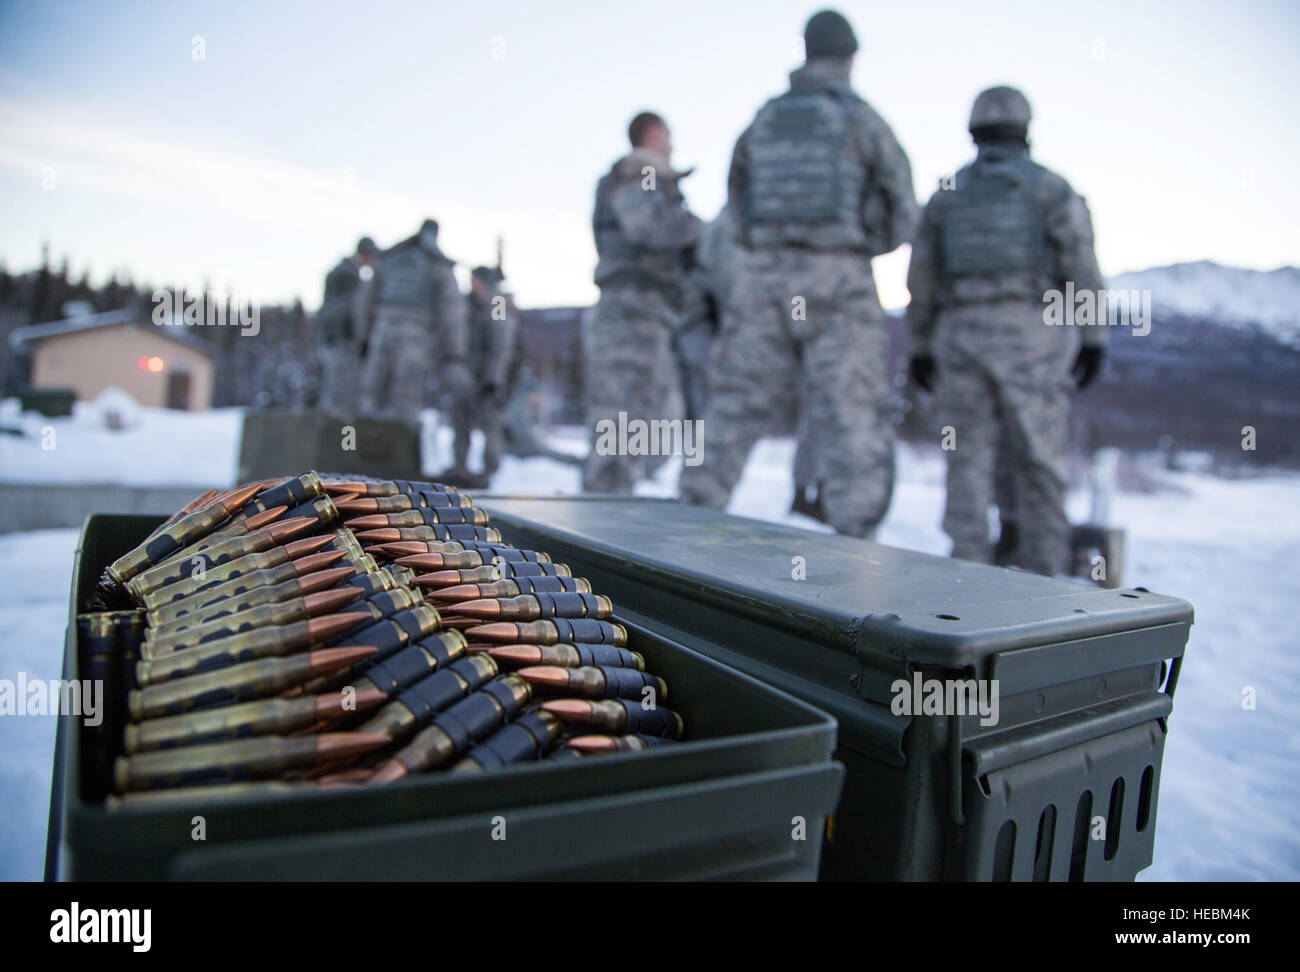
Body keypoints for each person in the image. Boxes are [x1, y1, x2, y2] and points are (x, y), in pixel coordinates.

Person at [679, 9, 917, 538]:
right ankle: (858, 558)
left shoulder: (763, 120)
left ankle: (684, 532)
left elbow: (736, 209)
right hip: (839, 282)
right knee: (852, 416)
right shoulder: (863, 120)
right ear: (850, 58)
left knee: (733, 409)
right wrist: (851, 245)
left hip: (762, 282)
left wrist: (771, 250)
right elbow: (903, 213)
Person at [906, 85, 1106, 575]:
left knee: (965, 457)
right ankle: (1042, 577)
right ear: (1024, 130)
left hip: (960, 335)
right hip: (1033, 336)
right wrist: (1094, 337)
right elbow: (1081, 264)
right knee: (1039, 460)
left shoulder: (947, 193)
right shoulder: (1050, 188)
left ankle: (966, 575)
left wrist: (920, 345)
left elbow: (922, 278)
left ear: (974, 131)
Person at [583, 110, 702, 493]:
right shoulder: (639, 171)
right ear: (652, 133)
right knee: (619, 423)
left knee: (651, 419)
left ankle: (612, 507)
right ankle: (600, 522)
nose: (673, 144)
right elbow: (648, 226)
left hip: (650, 313)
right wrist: (701, 230)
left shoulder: (641, 174)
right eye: (669, 135)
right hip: (630, 312)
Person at [359, 219, 469, 427]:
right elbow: (453, 313)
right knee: (406, 398)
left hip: (381, 329)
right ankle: (398, 454)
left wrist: (364, 336)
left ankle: (359, 449)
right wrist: (454, 354)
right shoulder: (437, 264)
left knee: (371, 392)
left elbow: (364, 302)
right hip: (416, 334)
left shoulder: (390, 258)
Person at [445, 265, 520, 484]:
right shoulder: (467, 304)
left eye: (477, 280)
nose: (473, 285)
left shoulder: (496, 304)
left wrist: (493, 379)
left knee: (490, 426)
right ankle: (460, 468)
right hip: (465, 375)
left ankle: (489, 472)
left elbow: (501, 346)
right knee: (460, 423)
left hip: (488, 378)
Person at [316, 236, 377, 415]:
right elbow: (349, 309)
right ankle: (335, 434)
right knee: (341, 391)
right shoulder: (348, 275)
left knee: (334, 389)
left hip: (332, 337)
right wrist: (360, 336)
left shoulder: (341, 271)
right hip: (341, 338)